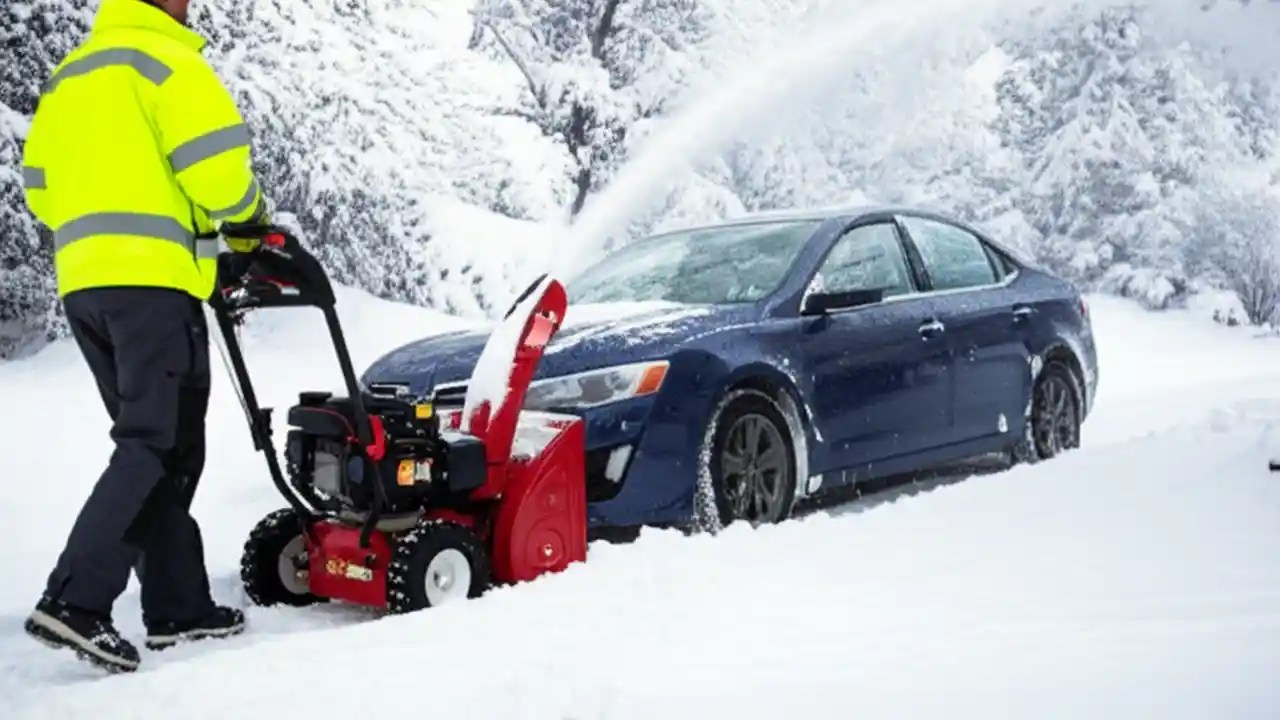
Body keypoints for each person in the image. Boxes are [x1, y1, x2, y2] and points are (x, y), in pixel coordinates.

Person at [20, 0, 269, 673]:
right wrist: (249, 221)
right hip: (153, 286)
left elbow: (38, 189)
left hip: (86, 288)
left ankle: (178, 605)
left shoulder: (71, 75)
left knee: (165, 443)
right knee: (154, 443)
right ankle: (75, 599)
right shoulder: (168, 62)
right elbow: (218, 171)